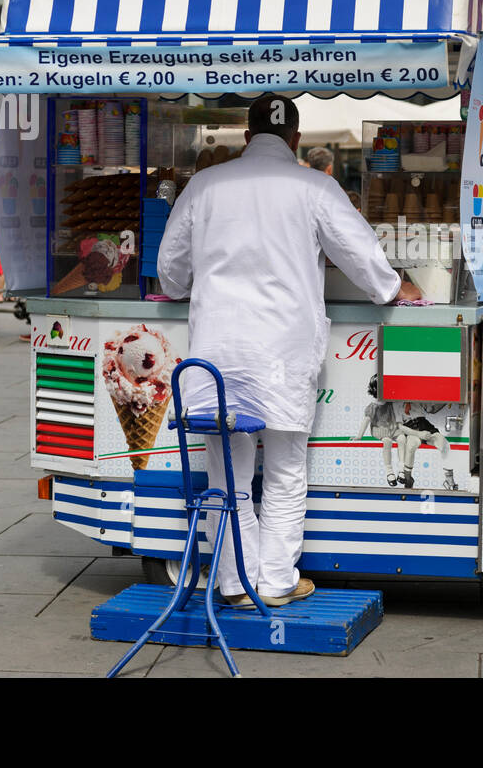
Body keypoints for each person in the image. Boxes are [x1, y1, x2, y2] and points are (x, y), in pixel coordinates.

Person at [158, 94, 417, 608]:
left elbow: (170, 272)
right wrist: (393, 289)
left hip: (218, 354)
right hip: (284, 354)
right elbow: (364, 259)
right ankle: (276, 581)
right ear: (295, 139)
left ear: (247, 136)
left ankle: (233, 583)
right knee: (283, 469)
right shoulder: (315, 186)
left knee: (226, 472)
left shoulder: (205, 185)